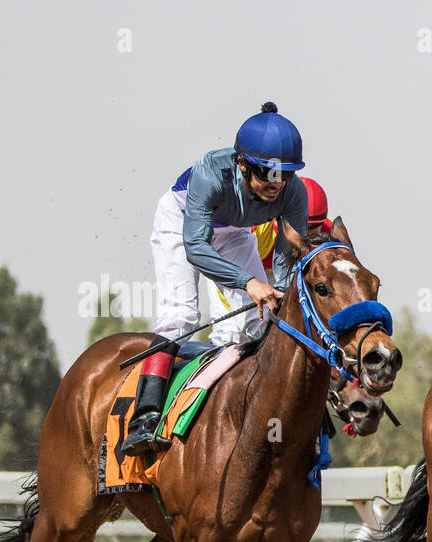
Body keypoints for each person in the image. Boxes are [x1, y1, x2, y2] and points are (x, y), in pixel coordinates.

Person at [121, 102, 309, 456]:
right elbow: (196, 248)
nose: (277, 184)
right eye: (268, 173)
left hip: (235, 231)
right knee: (182, 315)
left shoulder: (293, 192)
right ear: (241, 163)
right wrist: (248, 282)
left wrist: (279, 291)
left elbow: (285, 263)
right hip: (182, 225)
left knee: (262, 318)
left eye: (285, 174)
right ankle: (144, 416)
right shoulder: (210, 171)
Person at [207, 176, 332, 324]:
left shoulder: (328, 234)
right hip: (235, 271)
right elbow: (234, 281)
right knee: (236, 328)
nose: (304, 235)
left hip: (283, 276)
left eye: (311, 229)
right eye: (295, 225)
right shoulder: (257, 231)